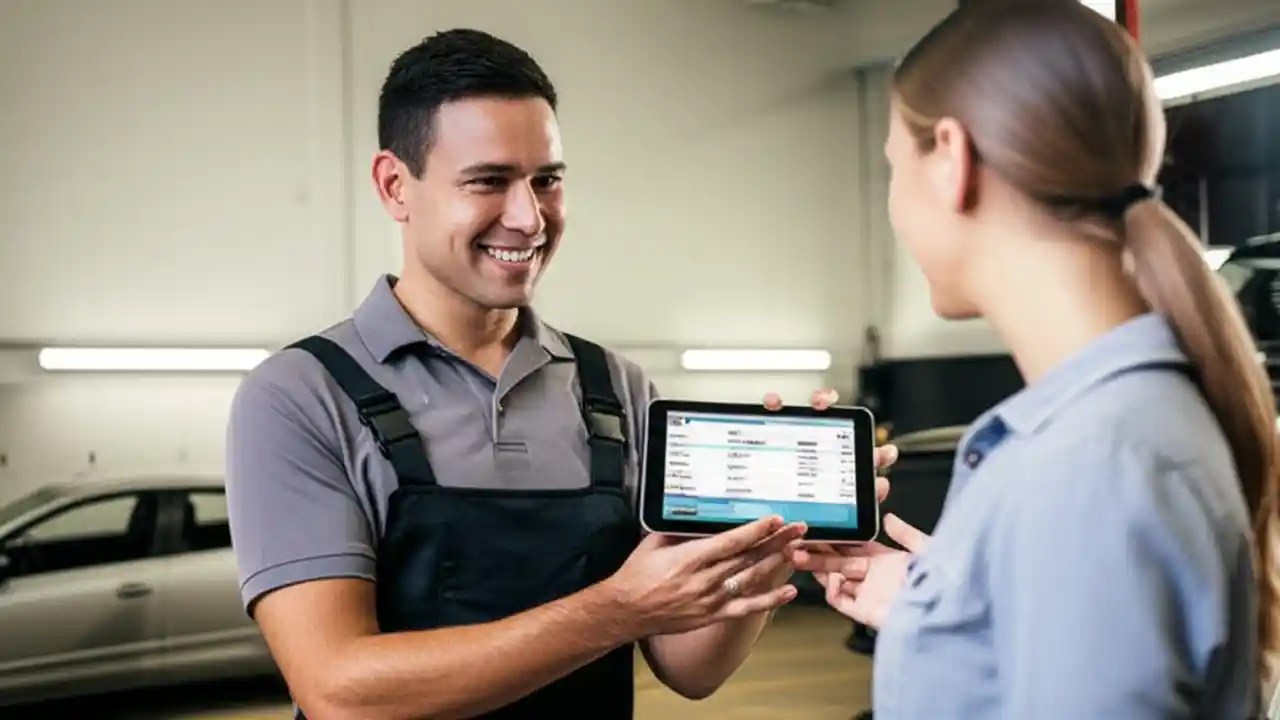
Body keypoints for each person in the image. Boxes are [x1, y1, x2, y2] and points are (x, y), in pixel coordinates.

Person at [224, 28, 896, 719]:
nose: (529, 217)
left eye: (547, 180)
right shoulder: (300, 396)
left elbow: (689, 670)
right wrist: (614, 610)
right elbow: (339, 691)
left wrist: (770, 541)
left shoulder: (617, 390)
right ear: (396, 186)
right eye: (488, 181)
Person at [793, 2, 1280, 718]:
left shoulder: (1094, 465)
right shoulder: (1114, 438)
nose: (896, 201)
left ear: (953, 158)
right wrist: (948, 611)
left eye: (896, 166)